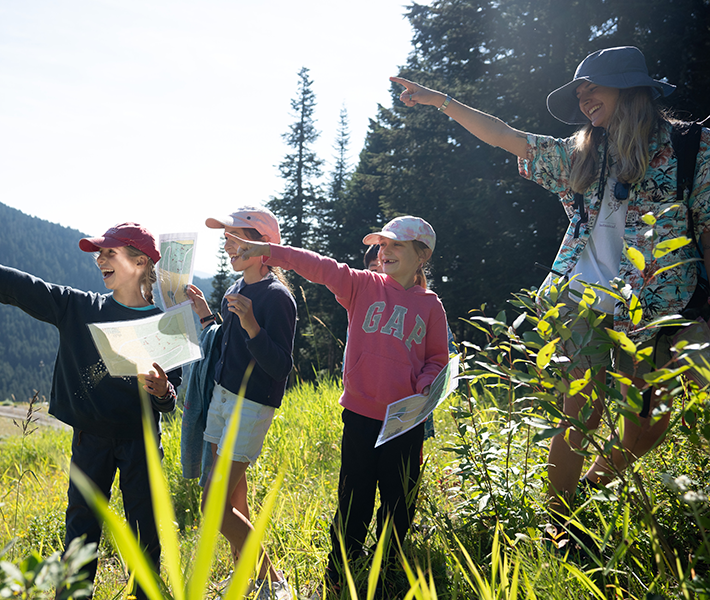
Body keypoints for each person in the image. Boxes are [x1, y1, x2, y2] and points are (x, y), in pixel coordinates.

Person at [390, 46, 710, 527]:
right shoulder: (580, 154)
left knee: (648, 426)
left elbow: (705, 227)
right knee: (581, 412)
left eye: (592, 87)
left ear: (629, 88)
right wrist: (443, 101)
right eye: (578, 91)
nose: (583, 98)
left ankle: (591, 490)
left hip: (655, 303)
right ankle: (558, 526)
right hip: (581, 299)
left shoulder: (692, 149)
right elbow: (507, 137)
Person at [0, 222, 182, 600]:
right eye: (99, 253)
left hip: (141, 442)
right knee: (80, 532)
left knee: (143, 532)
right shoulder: (78, 308)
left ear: (140, 261)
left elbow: (170, 395)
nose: (100, 260)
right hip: (90, 440)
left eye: (109, 253)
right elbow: (18, 286)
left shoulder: (162, 325)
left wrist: (162, 390)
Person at [228, 215, 449, 598]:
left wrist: (427, 383)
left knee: (399, 503)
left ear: (422, 255)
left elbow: (436, 358)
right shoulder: (362, 285)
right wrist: (273, 252)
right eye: (382, 244)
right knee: (354, 499)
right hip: (361, 418)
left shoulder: (431, 307)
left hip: (404, 424)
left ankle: (388, 572)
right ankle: (339, 574)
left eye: (396, 245)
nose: (385, 251)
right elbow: (320, 267)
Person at [183, 206, 297, 600]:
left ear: (262, 246)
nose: (228, 243)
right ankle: (246, 575)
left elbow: (281, 365)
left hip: (251, 405)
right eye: (227, 237)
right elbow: (226, 347)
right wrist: (205, 316)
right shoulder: (237, 286)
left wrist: (252, 326)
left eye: (236, 237)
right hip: (222, 398)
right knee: (233, 496)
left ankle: (271, 577)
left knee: (212, 506)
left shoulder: (277, 297)